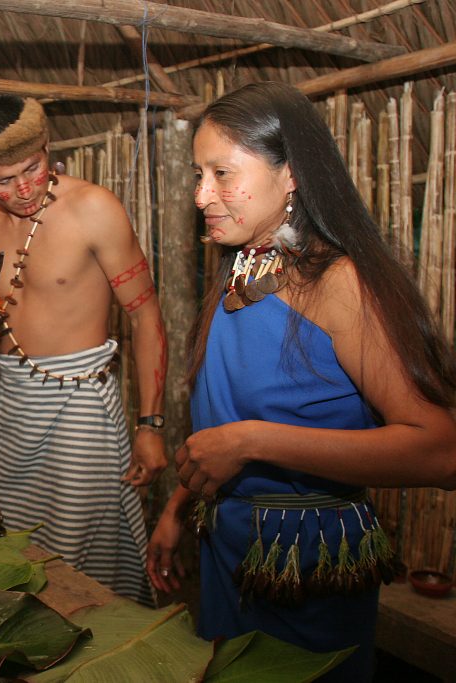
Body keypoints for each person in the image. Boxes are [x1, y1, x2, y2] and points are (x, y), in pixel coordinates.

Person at [146, 81, 456, 681]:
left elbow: (441, 449)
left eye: (222, 173)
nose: (200, 194)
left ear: (291, 175)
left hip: (305, 564)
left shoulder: (339, 286)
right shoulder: (241, 269)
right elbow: (223, 427)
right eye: (198, 173)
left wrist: (254, 442)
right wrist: (180, 508)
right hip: (227, 548)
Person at [0, 96, 168, 605]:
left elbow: (146, 316)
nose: (25, 187)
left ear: (46, 148)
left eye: (33, 168)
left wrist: (151, 425)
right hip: (14, 407)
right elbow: (1, 312)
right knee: (22, 550)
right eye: (4, 180)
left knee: (83, 562)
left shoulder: (94, 209)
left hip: (79, 403)